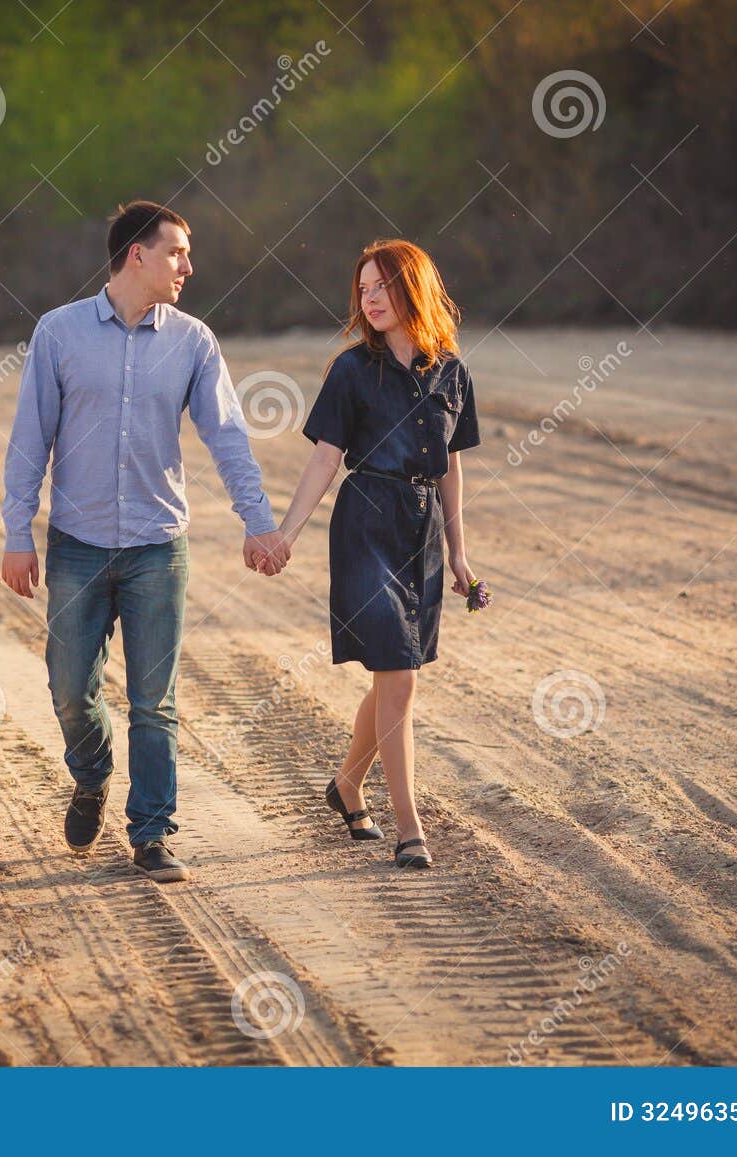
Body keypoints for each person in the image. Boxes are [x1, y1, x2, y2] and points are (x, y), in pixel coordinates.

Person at [0, 201, 289, 883]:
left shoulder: (194, 341)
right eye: (177, 252)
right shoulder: (59, 333)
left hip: (159, 547)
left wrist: (259, 519)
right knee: (70, 688)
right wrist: (18, 532)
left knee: (154, 700)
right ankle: (91, 773)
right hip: (78, 543)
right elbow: (29, 439)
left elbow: (227, 437)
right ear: (137, 254)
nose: (189, 266)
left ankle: (152, 832)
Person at [269, 238, 482, 868]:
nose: (369, 298)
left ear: (412, 288)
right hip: (365, 524)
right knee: (399, 674)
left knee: (398, 676)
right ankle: (409, 829)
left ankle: (347, 785)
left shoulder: (452, 370)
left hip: (422, 537)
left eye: (381, 286)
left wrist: (460, 552)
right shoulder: (351, 370)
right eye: (363, 288)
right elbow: (325, 458)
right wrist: (288, 532)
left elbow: (450, 468)